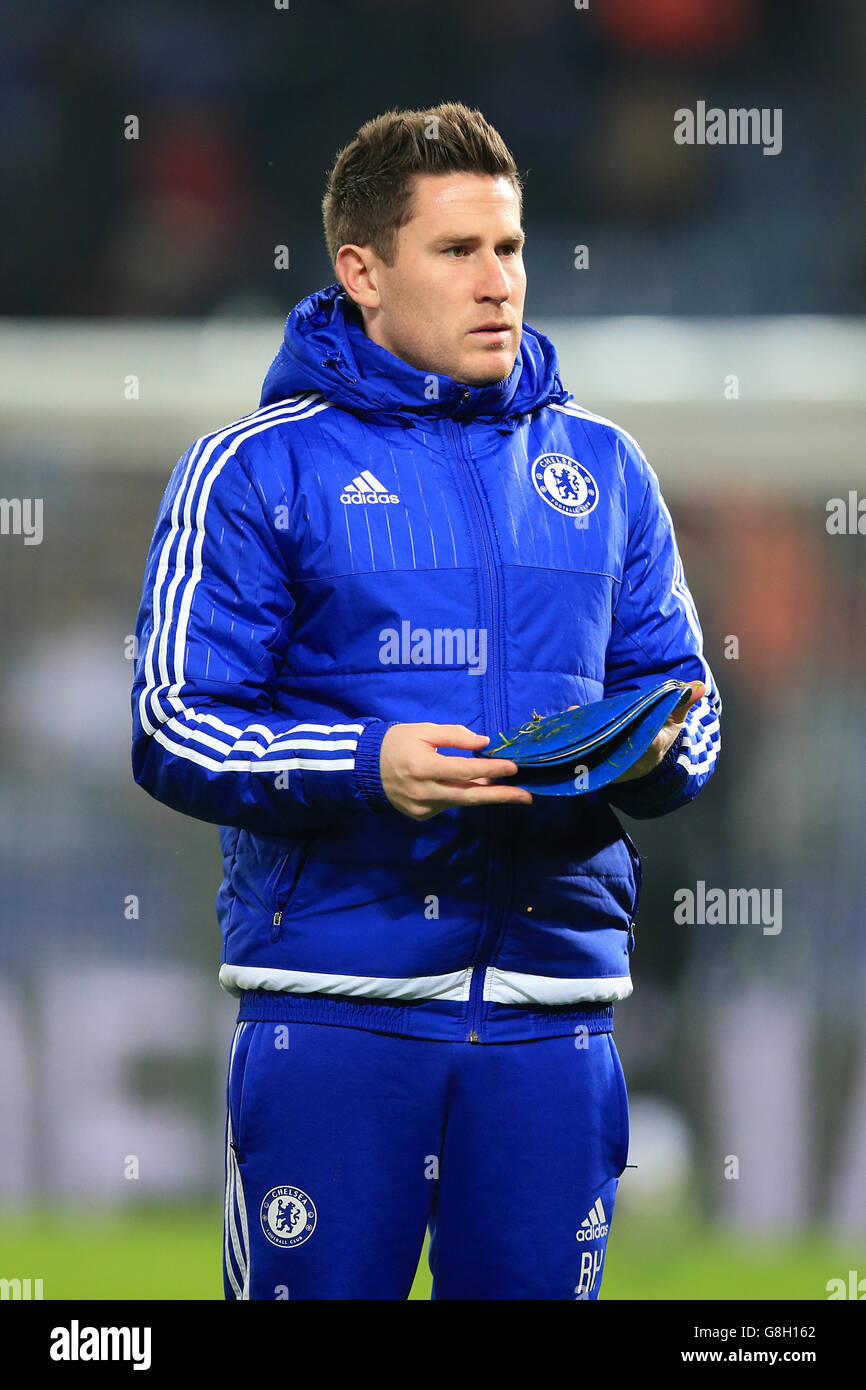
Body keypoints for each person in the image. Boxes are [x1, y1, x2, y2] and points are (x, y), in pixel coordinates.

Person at [131, 101, 721, 1301]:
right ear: (362, 270)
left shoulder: (601, 467)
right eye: (456, 252)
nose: (497, 280)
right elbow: (172, 723)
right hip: (335, 1014)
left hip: (553, 1011)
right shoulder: (255, 467)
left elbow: (689, 708)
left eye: (508, 248)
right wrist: (368, 763)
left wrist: (635, 751)